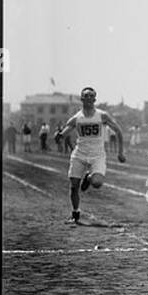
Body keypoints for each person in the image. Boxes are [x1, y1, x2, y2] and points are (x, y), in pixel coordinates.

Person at [59, 86, 126, 224]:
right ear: (81, 99)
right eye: (86, 95)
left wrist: (120, 152)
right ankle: (75, 213)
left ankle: (89, 178)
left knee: (97, 183)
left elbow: (118, 131)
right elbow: (64, 133)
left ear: (95, 99)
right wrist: (59, 136)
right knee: (73, 186)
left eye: (91, 96)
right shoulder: (76, 118)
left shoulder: (102, 115)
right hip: (80, 154)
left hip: (97, 155)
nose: (89, 98)